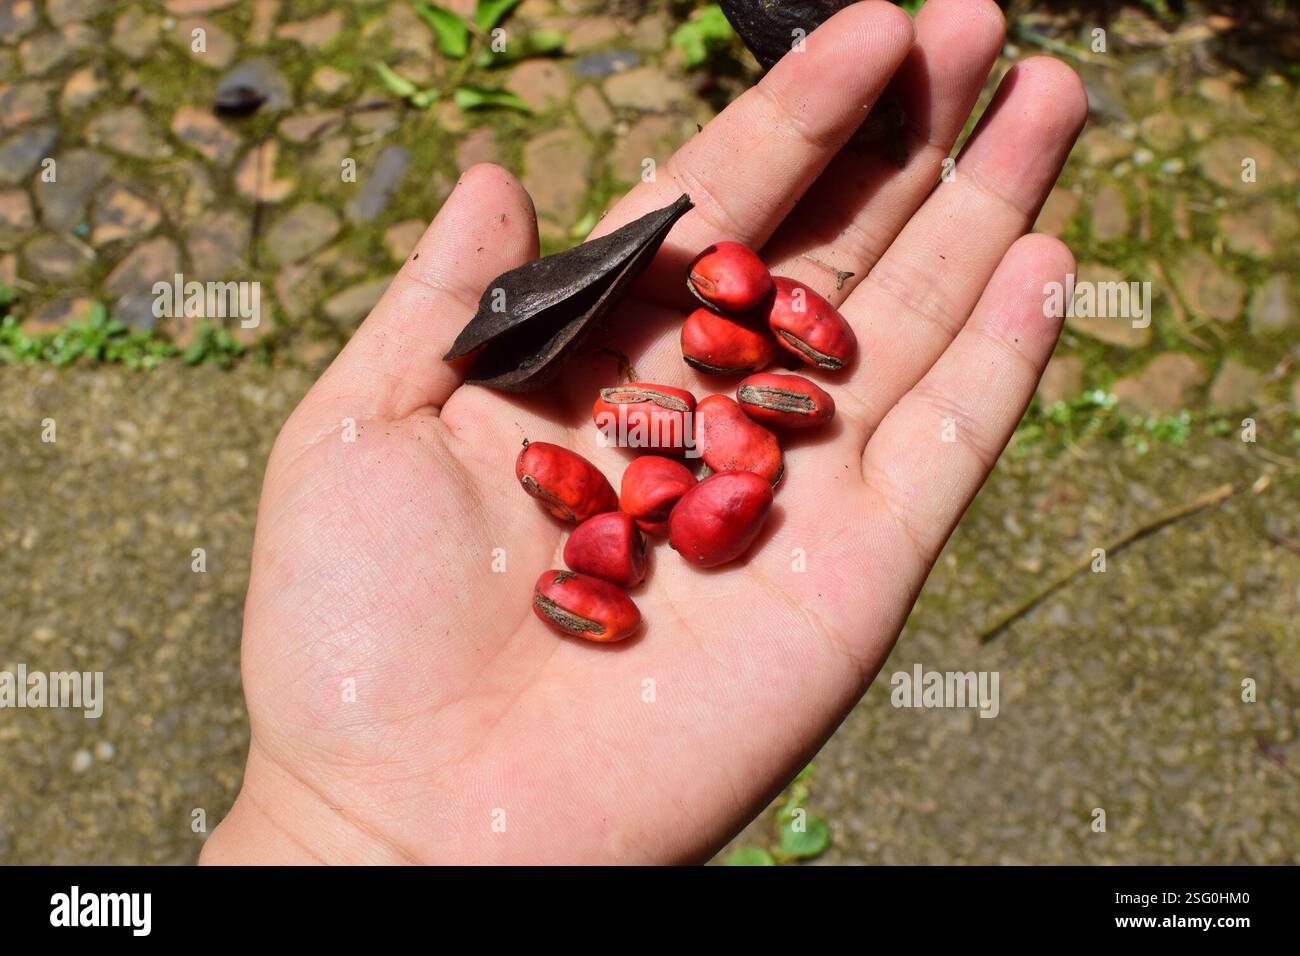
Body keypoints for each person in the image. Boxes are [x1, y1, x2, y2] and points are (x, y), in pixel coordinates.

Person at [202, 0, 1087, 864]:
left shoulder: (701, 428)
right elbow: (652, 485)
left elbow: (698, 437)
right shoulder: (664, 465)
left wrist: (325, 829)